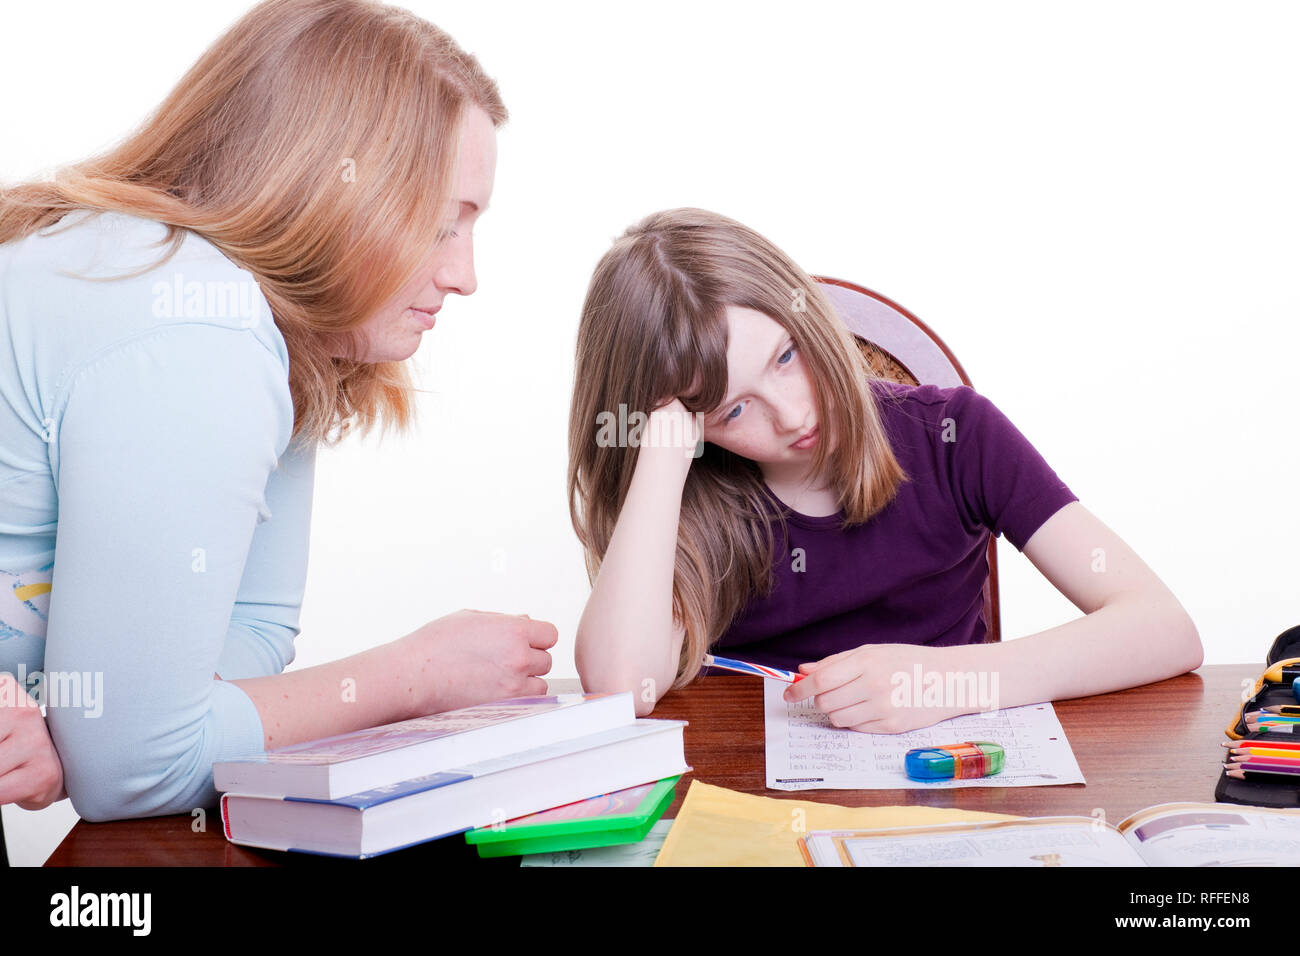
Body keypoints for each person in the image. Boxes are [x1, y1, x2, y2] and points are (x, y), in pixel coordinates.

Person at [0, 0, 556, 822]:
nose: (465, 275)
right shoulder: (196, 330)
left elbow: (254, 625)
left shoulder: (249, 317)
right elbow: (132, 771)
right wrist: (417, 676)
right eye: (442, 226)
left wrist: (97, 725)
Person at [568, 207, 1203, 731]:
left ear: (809, 316)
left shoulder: (956, 436)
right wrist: (658, 458)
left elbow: (1164, 628)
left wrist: (946, 682)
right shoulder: (690, 492)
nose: (791, 416)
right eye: (735, 409)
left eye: (787, 356)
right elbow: (623, 686)